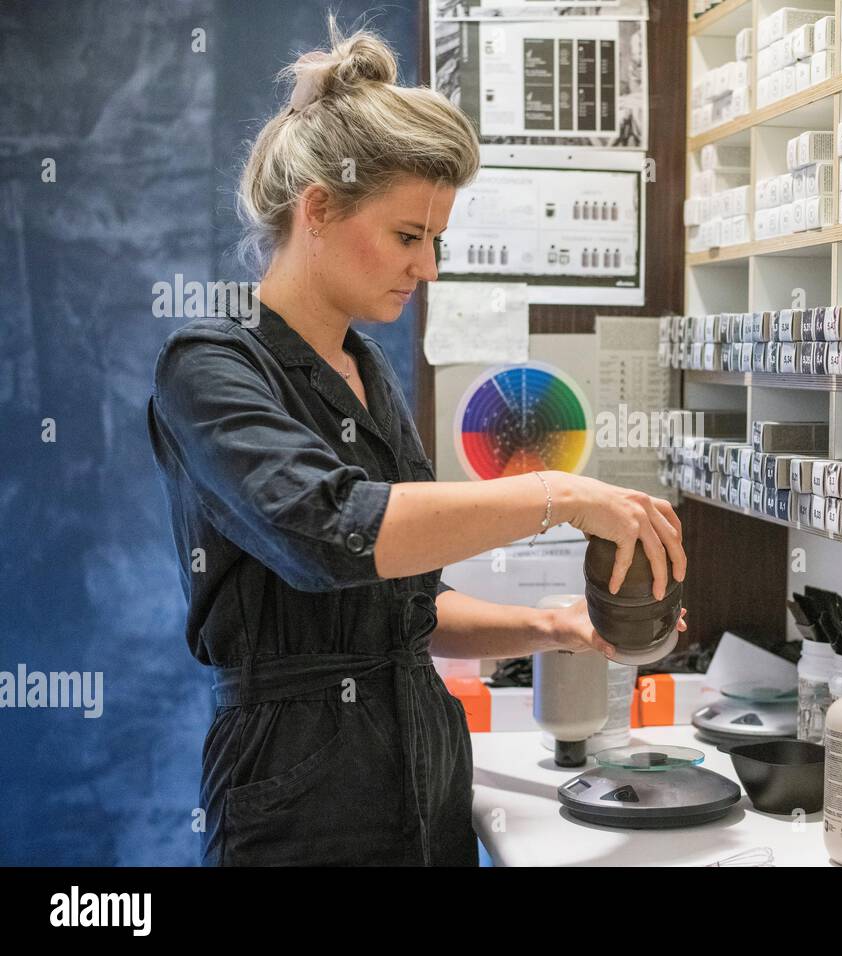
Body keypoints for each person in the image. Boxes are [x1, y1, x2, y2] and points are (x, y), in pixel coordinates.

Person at [146, 18, 686, 866]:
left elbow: (406, 612)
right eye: (408, 236)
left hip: (424, 775)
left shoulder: (365, 370)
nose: (428, 267)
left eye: (436, 240)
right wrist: (562, 495)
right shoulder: (209, 365)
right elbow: (331, 535)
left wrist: (553, 624)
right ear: (318, 209)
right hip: (300, 793)